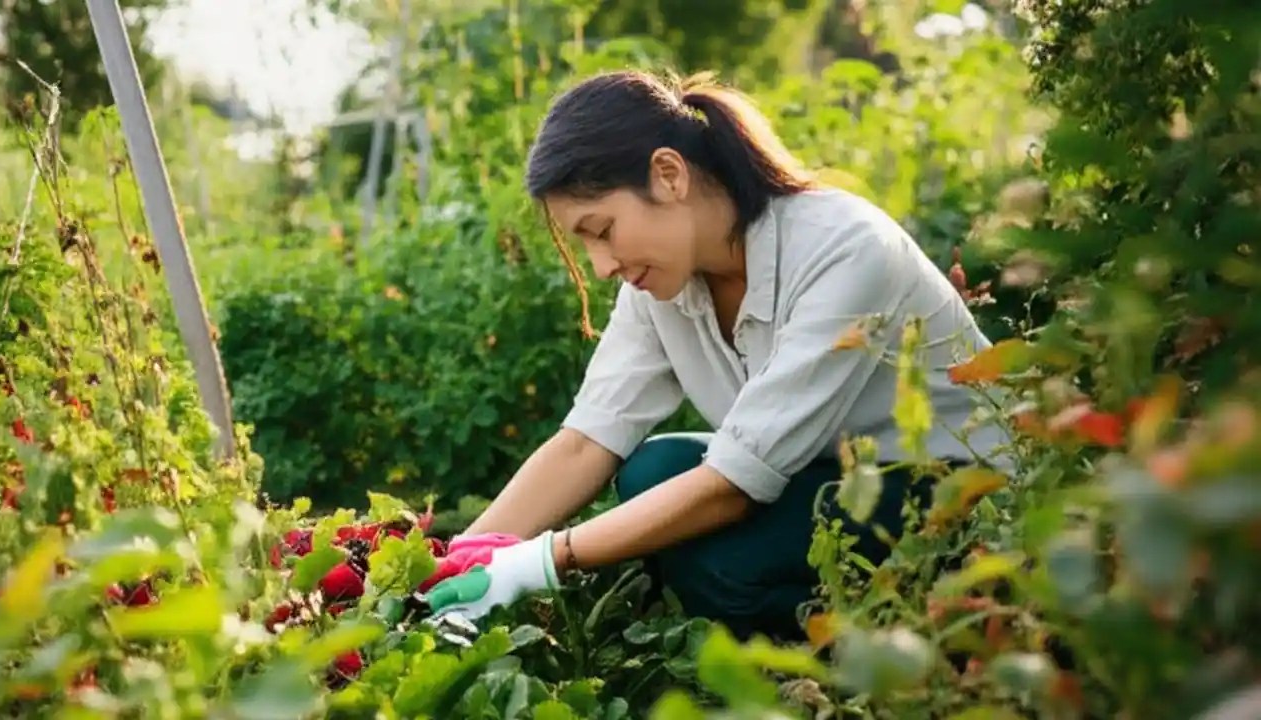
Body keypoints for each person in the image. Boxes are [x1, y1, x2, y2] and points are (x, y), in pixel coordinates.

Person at [421, 69, 1007, 639]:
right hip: (839, 480)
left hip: (956, 496)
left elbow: (735, 481)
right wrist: (440, 570)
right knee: (652, 471)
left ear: (669, 174)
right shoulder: (662, 286)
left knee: (719, 563)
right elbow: (584, 442)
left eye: (602, 230)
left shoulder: (845, 248)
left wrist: (543, 561)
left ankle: (905, 650)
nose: (601, 267)